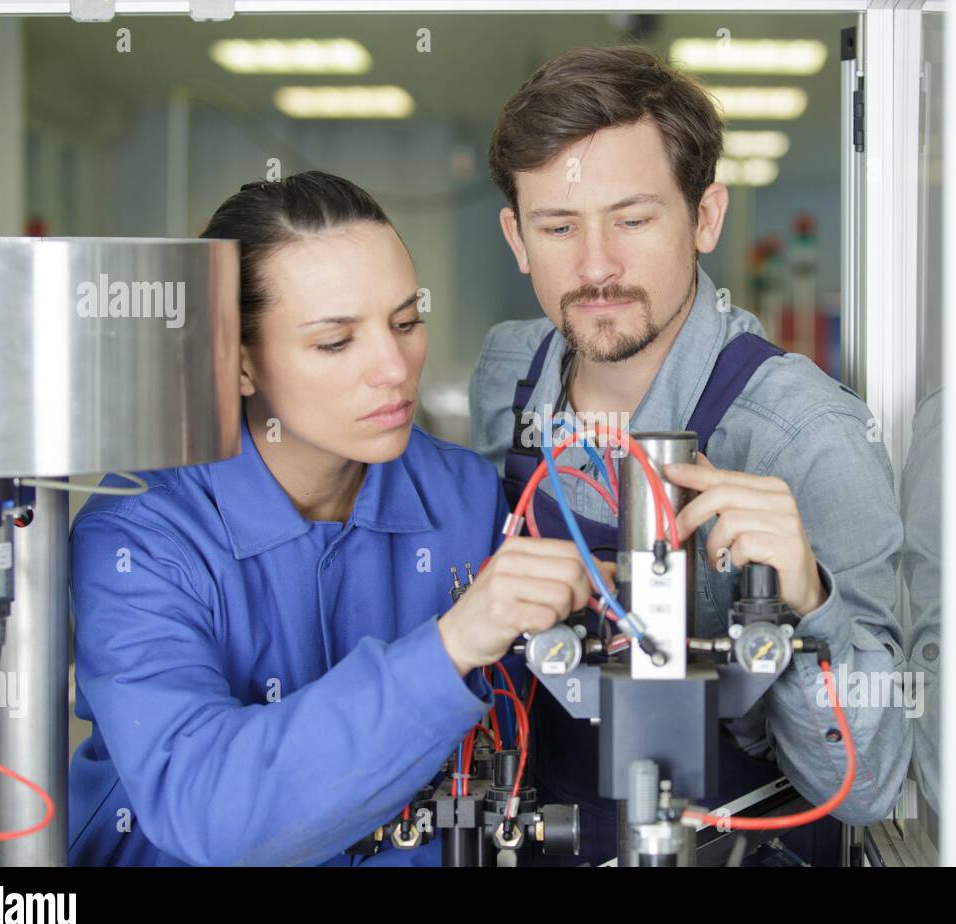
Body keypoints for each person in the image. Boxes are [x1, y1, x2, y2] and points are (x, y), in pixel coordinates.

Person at [68, 171, 601, 866]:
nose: (393, 368)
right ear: (238, 364)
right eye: (334, 342)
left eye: (406, 322)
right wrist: (447, 649)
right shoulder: (141, 533)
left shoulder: (465, 497)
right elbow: (203, 804)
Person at [471, 46, 913, 865]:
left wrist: (805, 599)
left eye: (633, 220)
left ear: (705, 217)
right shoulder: (510, 372)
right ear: (517, 237)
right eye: (559, 227)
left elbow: (873, 783)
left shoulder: (805, 435)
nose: (596, 265)